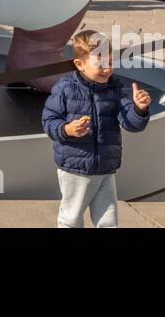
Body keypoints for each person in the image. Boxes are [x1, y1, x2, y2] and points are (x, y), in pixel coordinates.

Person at [41, 30, 150, 228]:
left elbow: (130, 123)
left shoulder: (115, 89)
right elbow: (49, 121)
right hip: (74, 168)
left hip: (106, 168)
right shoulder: (65, 88)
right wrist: (67, 130)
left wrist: (139, 109)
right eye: (100, 63)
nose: (107, 69)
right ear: (79, 65)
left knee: (108, 220)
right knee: (71, 218)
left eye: (110, 62)